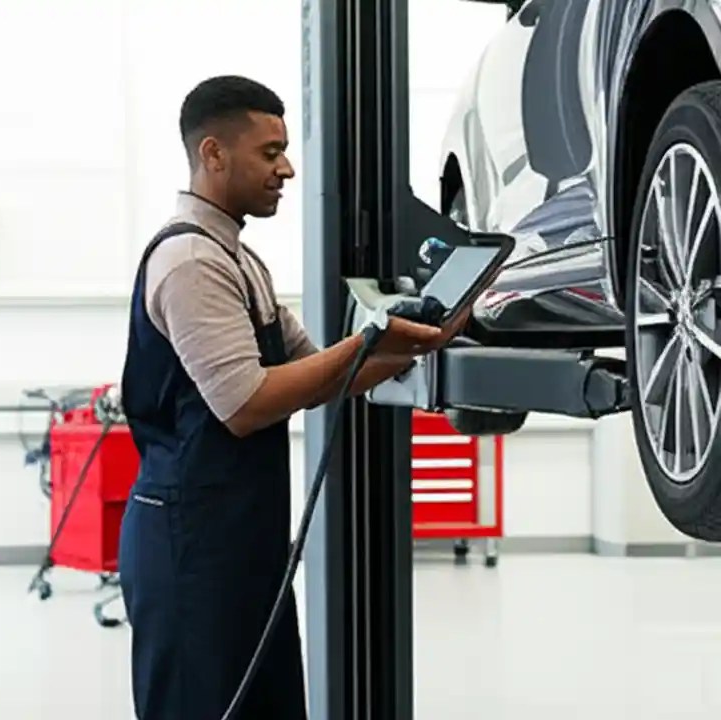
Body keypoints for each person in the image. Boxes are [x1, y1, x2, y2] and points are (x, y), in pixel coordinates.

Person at [117, 75, 460, 720]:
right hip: (189, 545)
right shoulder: (191, 262)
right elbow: (244, 403)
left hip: (239, 541)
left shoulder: (240, 259)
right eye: (270, 153)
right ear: (214, 154)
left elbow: (316, 371)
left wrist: (420, 339)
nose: (288, 169)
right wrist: (373, 337)